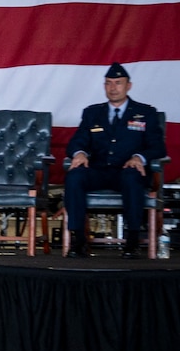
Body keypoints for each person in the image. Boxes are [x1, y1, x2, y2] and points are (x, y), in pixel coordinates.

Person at [64, 62, 167, 259]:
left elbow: (158, 147)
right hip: (99, 170)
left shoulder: (145, 113)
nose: (113, 88)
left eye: (118, 83)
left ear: (128, 86)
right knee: (74, 176)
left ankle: (132, 241)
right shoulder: (92, 112)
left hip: (128, 171)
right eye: (109, 83)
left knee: (131, 177)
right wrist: (79, 153)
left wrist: (139, 157)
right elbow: (77, 141)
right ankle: (78, 241)